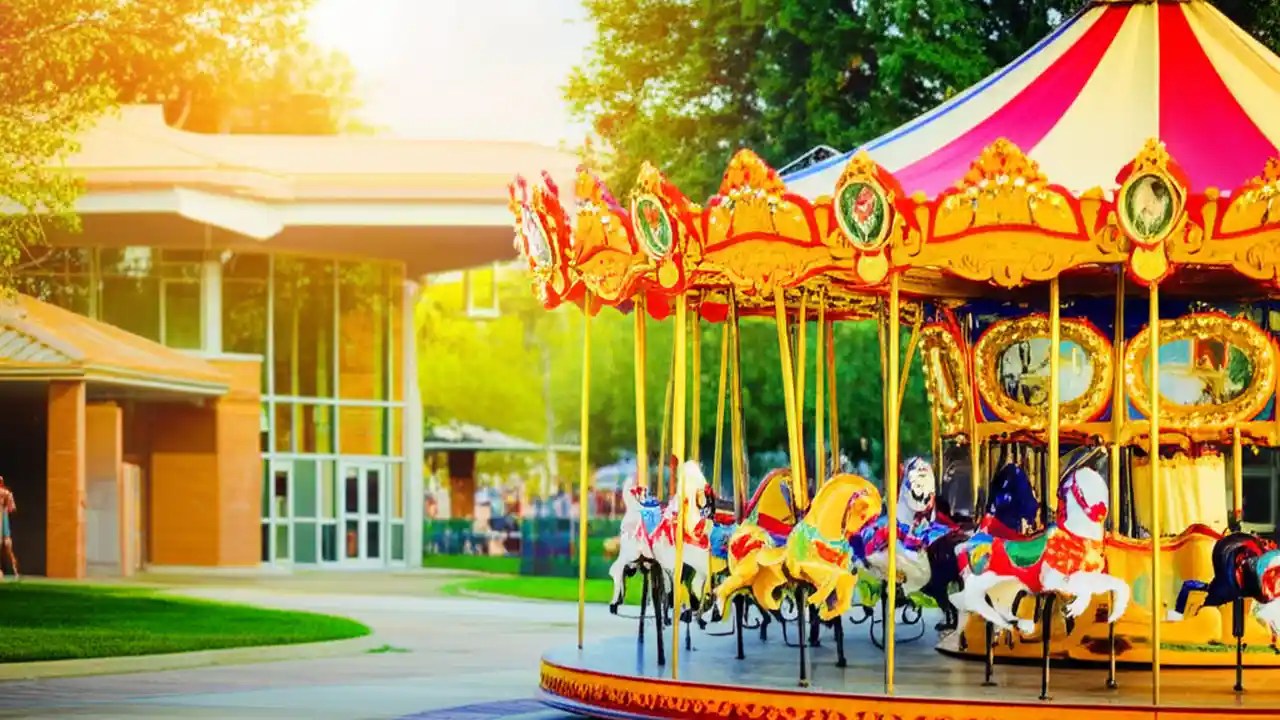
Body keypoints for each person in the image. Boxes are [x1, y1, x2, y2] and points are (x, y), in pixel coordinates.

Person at [0, 477, 18, 580]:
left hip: (3, 522)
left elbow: (11, 508)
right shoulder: (7, 493)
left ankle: (15, 570)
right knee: (8, 548)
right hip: (4, 522)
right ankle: (15, 571)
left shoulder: (6, 493)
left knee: (8, 547)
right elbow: (12, 509)